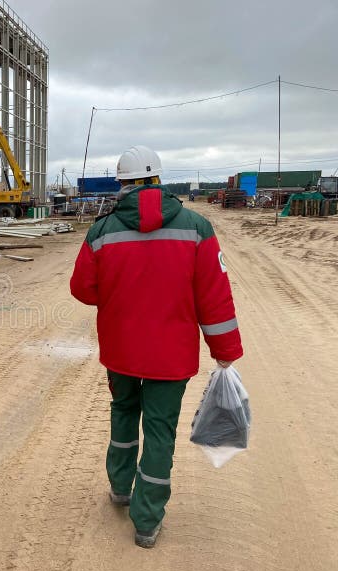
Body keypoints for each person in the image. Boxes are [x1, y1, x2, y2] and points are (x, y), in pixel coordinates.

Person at [69, 145, 243, 549]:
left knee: (124, 414)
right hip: (172, 354)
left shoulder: (102, 230)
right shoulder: (197, 228)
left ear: (123, 184)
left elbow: (82, 289)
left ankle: (120, 488)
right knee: (160, 431)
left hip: (121, 350)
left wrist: (120, 293)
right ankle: (147, 523)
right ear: (160, 180)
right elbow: (214, 298)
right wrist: (224, 348)